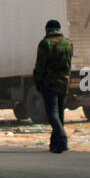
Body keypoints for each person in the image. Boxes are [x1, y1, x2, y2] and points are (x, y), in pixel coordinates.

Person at [33, 19, 73, 154]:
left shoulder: (45, 44)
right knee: (59, 114)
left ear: (47, 30)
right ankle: (55, 144)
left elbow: (40, 66)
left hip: (50, 84)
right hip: (64, 83)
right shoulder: (68, 43)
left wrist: (38, 81)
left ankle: (62, 139)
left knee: (52, 114)